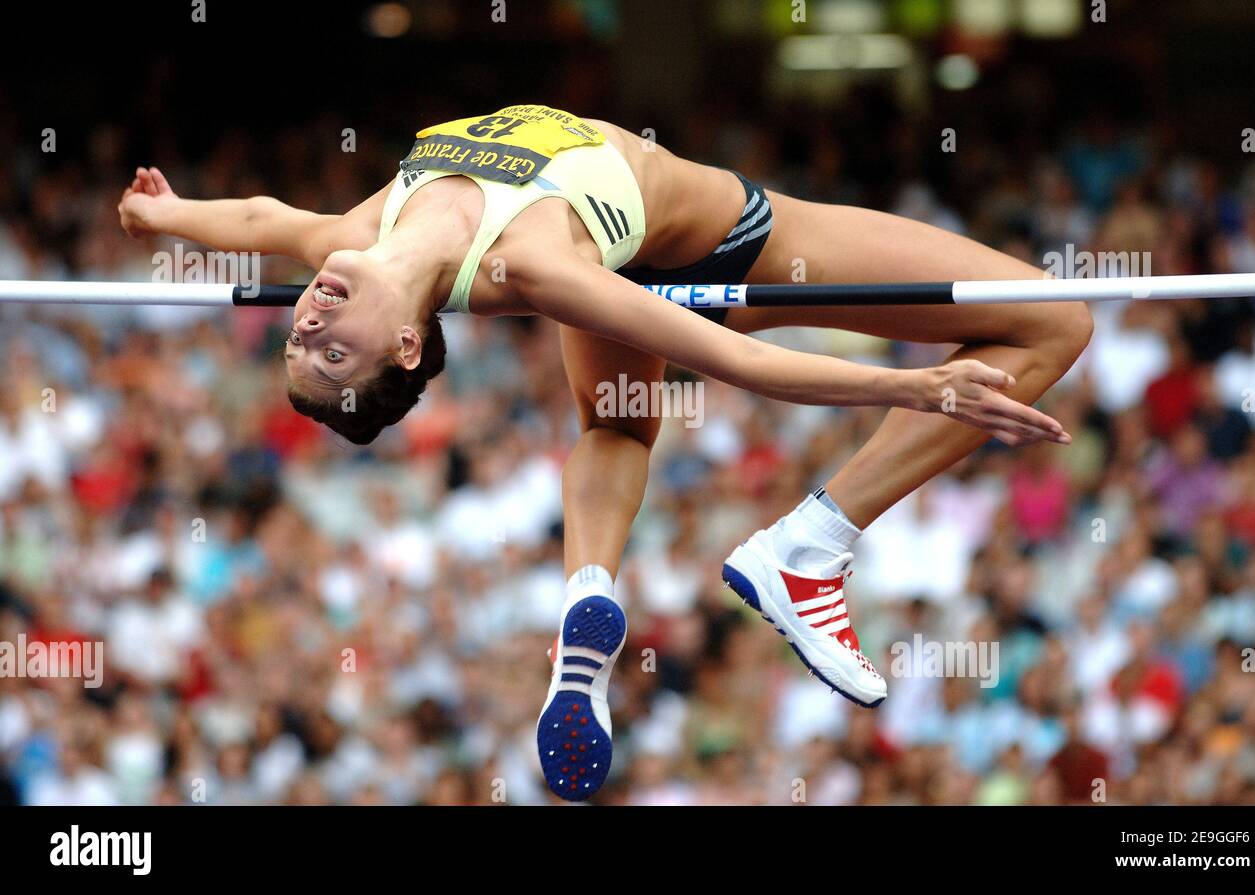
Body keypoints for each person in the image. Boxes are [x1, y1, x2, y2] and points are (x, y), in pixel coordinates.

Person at [118, 104, 1093, 800]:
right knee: (1055, 321)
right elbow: (725, 355)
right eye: (332, 357)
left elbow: (254, 219)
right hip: (734, 244)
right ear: (407, 346)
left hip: (619, 255)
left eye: (301, 340)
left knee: (617, 423)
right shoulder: (526, 265)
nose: (308, 325)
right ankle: (812, 544)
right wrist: (911, 384)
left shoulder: (358, 232)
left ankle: (589, 591)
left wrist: (162, 215)